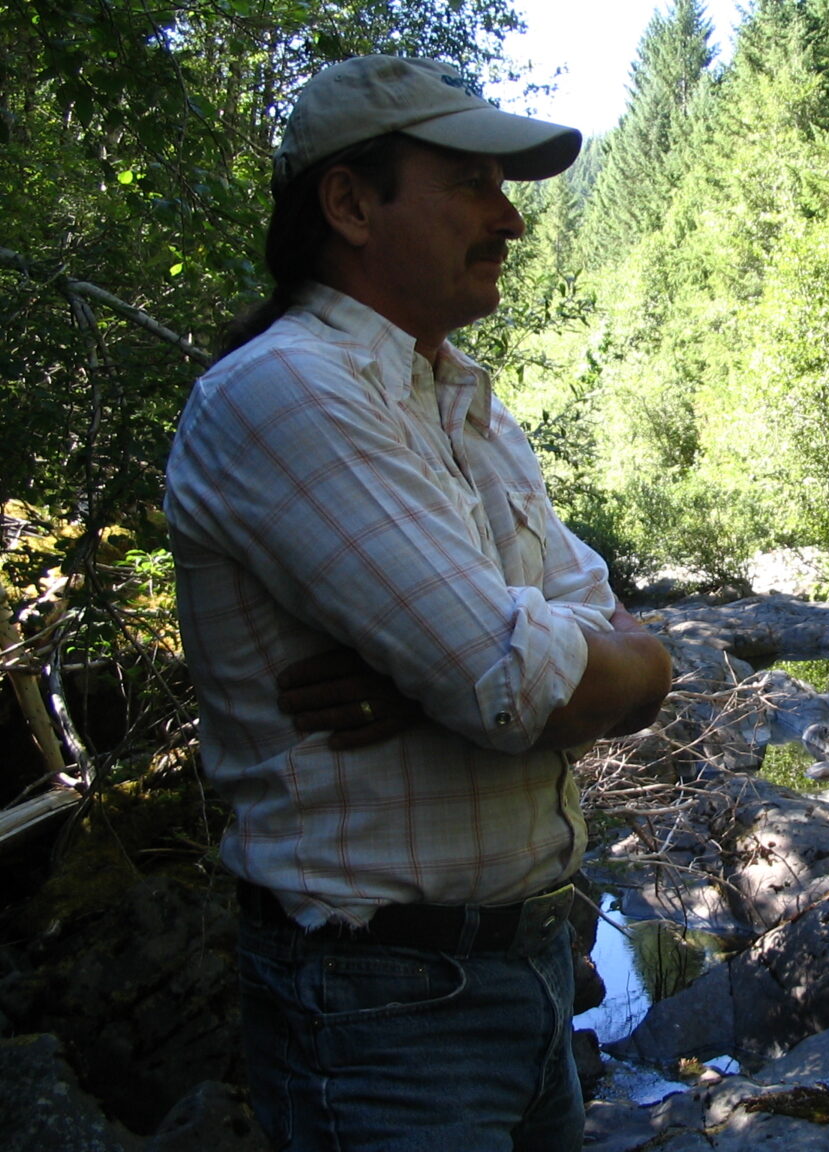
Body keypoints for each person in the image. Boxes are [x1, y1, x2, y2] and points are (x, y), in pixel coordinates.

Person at [163, 55, 672, 1151]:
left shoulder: (464, 406)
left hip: (519, 971)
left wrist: (506, 670)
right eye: (473, 184)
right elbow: (505, 682)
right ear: (349, 203)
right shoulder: (285, 392)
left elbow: (621, 657)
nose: (512, 221)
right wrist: (517, 668)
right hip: (380, 1008)